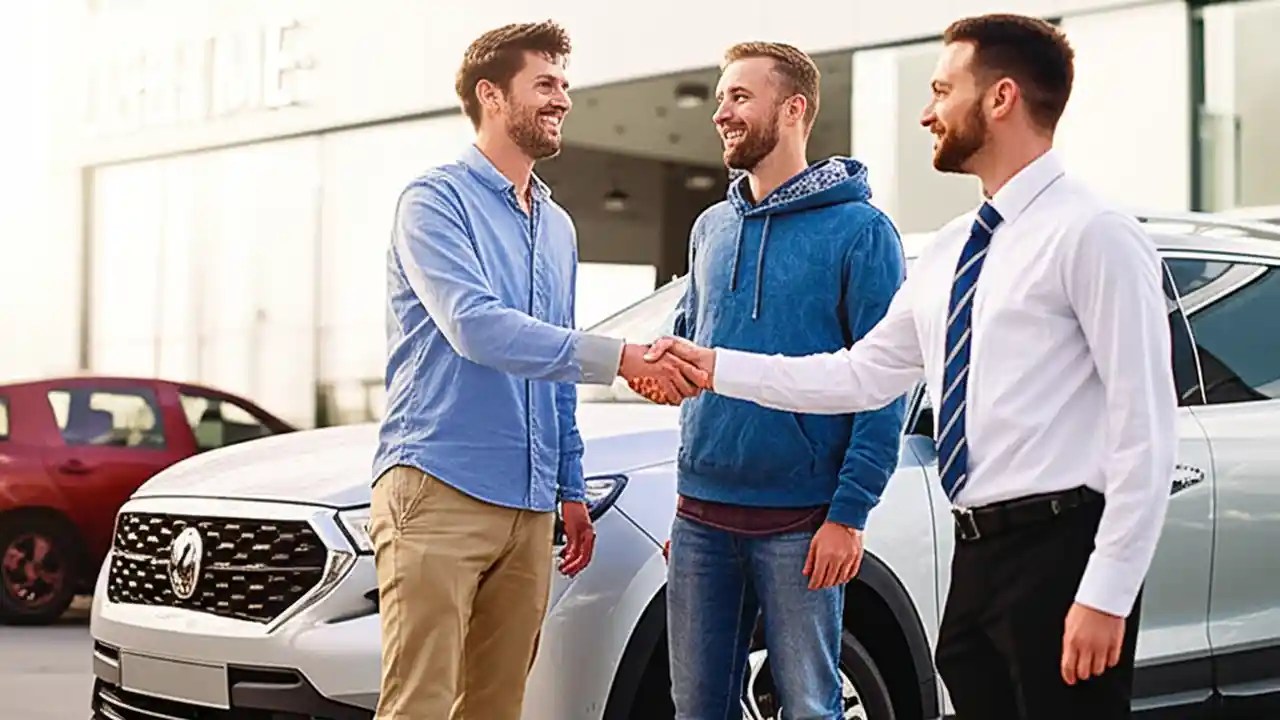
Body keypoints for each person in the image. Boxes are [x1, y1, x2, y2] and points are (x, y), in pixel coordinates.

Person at [645, 14, 1176, 719]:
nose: (927, 113)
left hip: (1065, 548)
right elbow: (858, 376)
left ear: (1001, 98)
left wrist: (1108, 591)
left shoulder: (1096, 234)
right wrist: (715, 368)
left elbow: (1146, 429)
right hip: (977, 554)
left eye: (942, 90)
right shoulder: (955, 249)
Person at [368, 21, 705, 720]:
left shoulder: (556, 225)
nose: (563, 99)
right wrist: (622, 357)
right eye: (545, 84)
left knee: (498, 706)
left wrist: (569, 486)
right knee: (419, 704)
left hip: (528, 508)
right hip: (438, 487)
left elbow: (552, 366)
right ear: (491, 95)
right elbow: (475, 326)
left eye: (565, 85)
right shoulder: (433, 202)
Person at [640, 41, 907, 719]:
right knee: (695, 708)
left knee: (811, 707)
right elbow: (691, 355)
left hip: (802, 522)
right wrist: (683, 492)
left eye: (739, 97)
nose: (721, 113)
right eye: (720, 98)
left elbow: (884, 386)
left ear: (793, 110)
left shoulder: (862, 232)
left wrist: (848, 516)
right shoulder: (711, 227)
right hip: (701, 519)